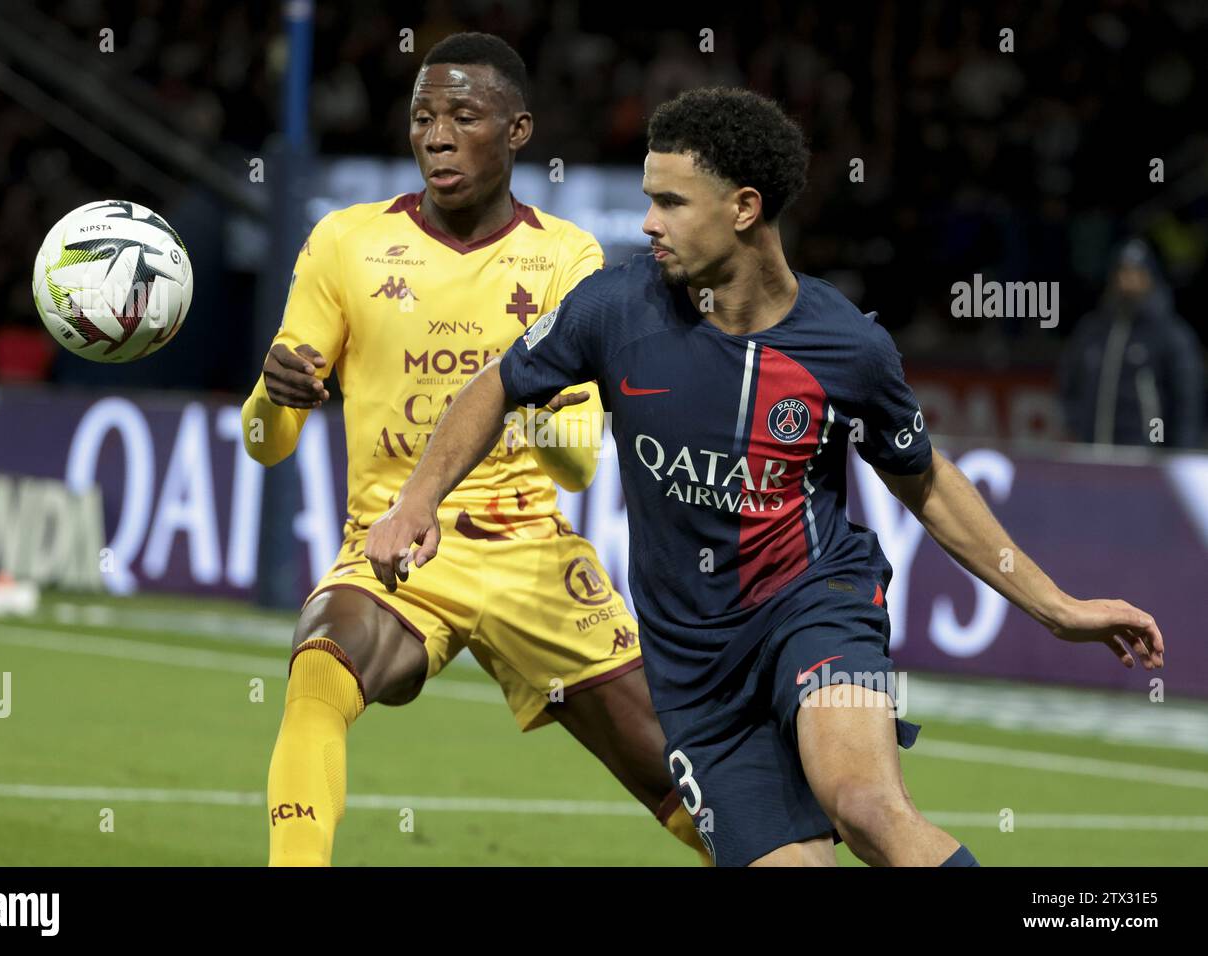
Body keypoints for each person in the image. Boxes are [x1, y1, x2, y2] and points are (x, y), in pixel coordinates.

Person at [364, 86, 1166, 867]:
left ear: (744, 208)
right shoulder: (612, 310)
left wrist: (1055, 607)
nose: (648, 223)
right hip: (693, 669)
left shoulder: (847, 347)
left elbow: (922, 478)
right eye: (650, 198)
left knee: (866, 806)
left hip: (813, 605)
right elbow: (500, 382)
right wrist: (417, 501)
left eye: (672, 202)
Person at [243, 32, 709, 866]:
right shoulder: (344, 242)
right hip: (395, 551)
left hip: (529, 553)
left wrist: (518, 406)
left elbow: (576, 463)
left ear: (517, 131)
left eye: (464, 115)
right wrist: (269, 399)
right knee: (319, 662)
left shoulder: (566, 256)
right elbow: (267, 444)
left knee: (691, 786)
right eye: (423, 116)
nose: (437, 135)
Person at [1060, 238, 1204, 448]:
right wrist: (1078, 426)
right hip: (1094, 454)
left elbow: (1187, 401)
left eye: (1137, 273)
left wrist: (1170, 450)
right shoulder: (1093, 329)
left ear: (1151, 278)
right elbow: (1068, 385)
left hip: (1147, 459)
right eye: (1123, 272)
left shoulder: (1170, 334)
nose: (1128, 281)